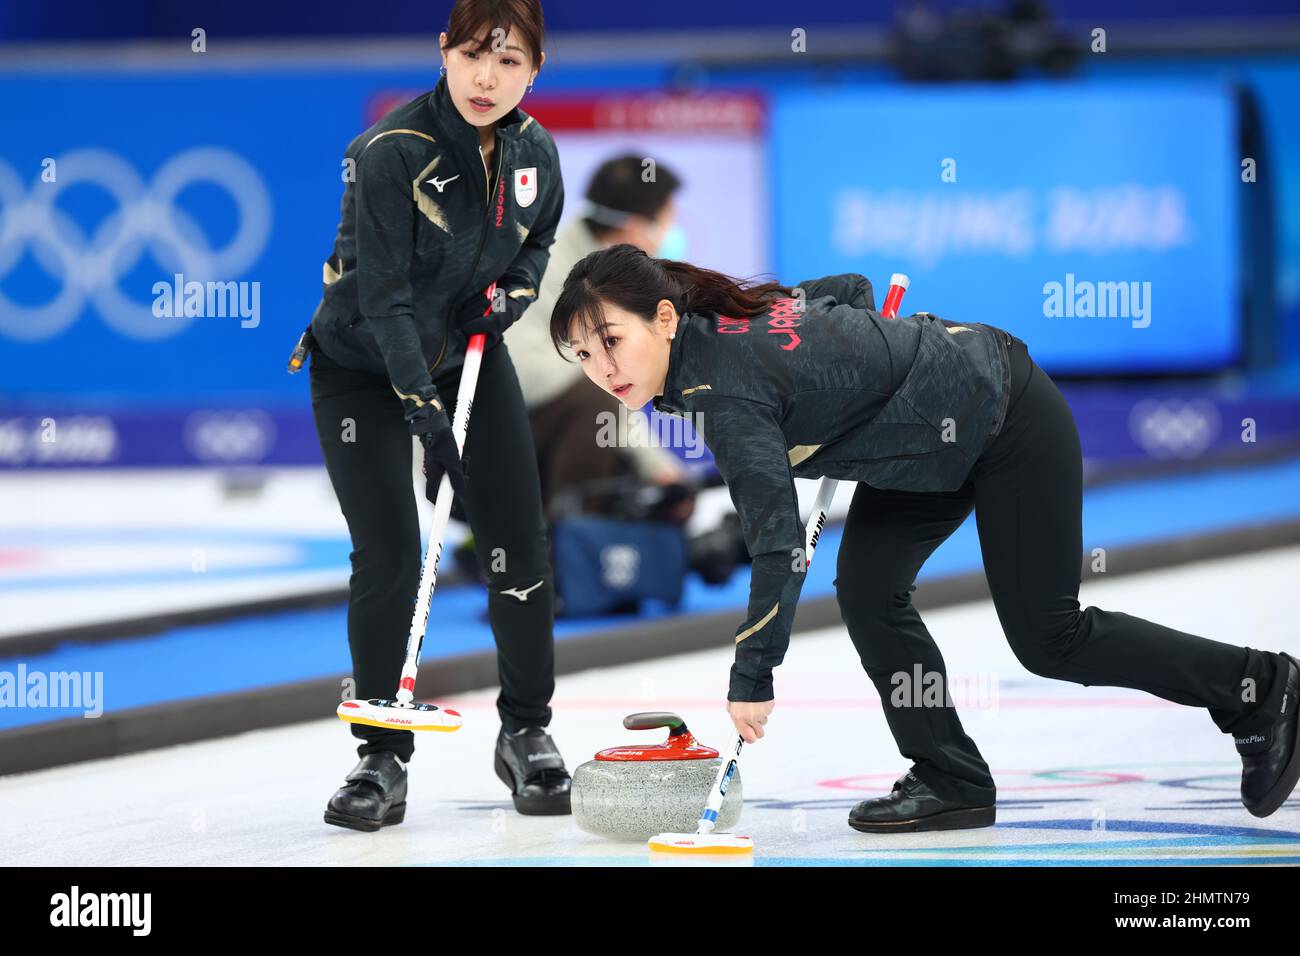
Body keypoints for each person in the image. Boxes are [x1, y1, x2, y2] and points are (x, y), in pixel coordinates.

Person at [548, 243, 1300, 834]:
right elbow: (846, 288)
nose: (602, 369)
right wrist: (857, 374)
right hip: (924, 449)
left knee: (1049, 637)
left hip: (1006, 417)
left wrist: (753, 676)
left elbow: (777, 543)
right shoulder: (720, 330)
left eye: (611, 340)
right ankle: (950, 778)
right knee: (870, 589)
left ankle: (1259, 689)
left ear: (665, 320)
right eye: (582, 355)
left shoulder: (724, 391)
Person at [303, 0, 573, 831]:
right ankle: (381, 754)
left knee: (517, 540)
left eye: (510, 61)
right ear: (444, 54)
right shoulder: (389, 153)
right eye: (472, 57)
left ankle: (527, 731)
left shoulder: (535, 154)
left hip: (467, 355)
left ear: (535, 69)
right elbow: (381, 300)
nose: (487, 79)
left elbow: (536, 248)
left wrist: (509, 298)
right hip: (363, 370)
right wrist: (422, 412)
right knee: (390, 555)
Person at [504, 155, 689, 518]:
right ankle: (560, 555)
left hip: (537, 430)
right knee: (599, 411)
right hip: (486, 441)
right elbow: (527, 376)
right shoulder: (546, 265)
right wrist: (655, 464)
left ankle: (591, 557)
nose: (671, 235)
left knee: (639, 482)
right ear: (635, 228)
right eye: (668, 222)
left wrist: (657, 471)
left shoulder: (602, 272)